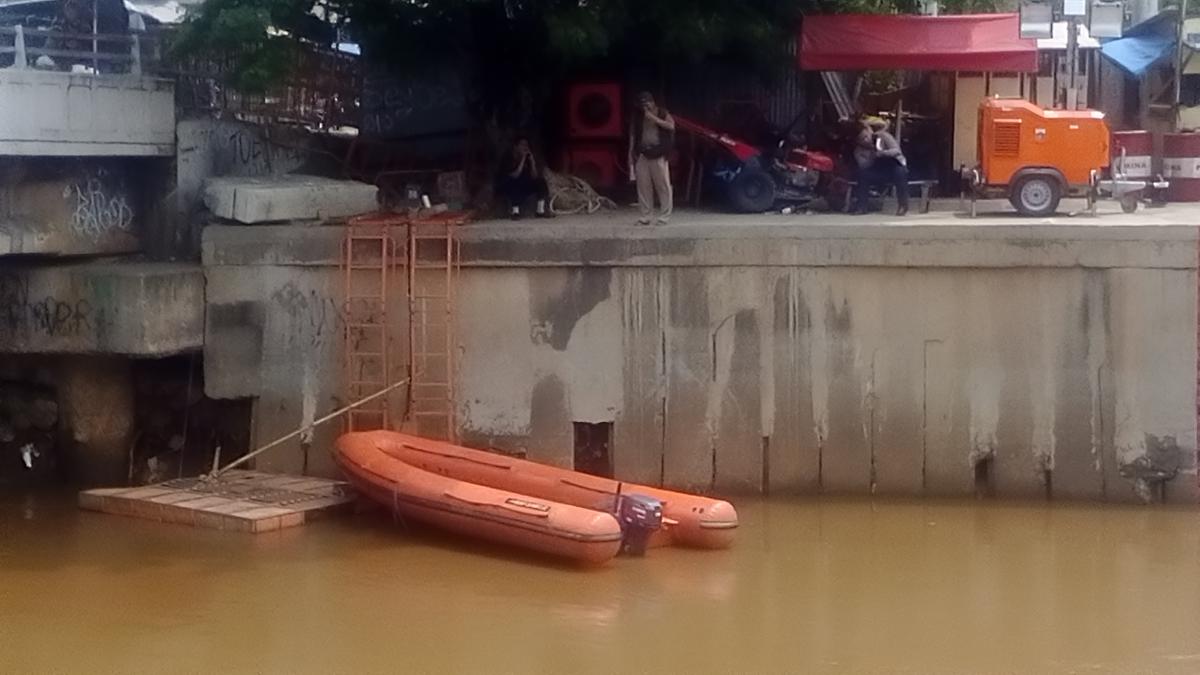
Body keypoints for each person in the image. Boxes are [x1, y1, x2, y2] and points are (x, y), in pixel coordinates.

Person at [628, 91, 675, 225]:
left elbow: (671, 126)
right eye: (642, 104)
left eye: (647, 103)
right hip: (642, 153)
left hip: (659, 153)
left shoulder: (662, 112)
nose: (645, 106)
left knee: (663, 186)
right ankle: (646, 216)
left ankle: (664, 217)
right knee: (643, 186)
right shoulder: (637, 115)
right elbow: (632, 135)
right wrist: (631, 154)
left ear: (653, 102)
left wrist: (653, 119)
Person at [852, 117, 909, 216]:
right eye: (862, 139)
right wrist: (872, 157)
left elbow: (896, 151)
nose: (866, 140)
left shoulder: (882, 136)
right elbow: (862, 165)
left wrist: (882, 153)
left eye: (866, 136)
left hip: (893, 167)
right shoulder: (859, 151)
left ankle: (903, 205)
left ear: (869, 132)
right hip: (876, 171)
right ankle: (862, 206)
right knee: (862, 174)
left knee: (900, 172)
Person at [496, 136, 550, 220]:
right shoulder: (509, 157)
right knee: (514, 182)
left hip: (523, 184)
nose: (525, 147)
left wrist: (532, 162)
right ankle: (515, 212)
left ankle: (540, 211)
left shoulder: (528, 158)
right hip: (508, 184)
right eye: (522, 145)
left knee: (541, 181)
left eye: (526, 145)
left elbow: (534, 176)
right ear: (515, 146)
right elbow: (515, 175)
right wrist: (522, 159)